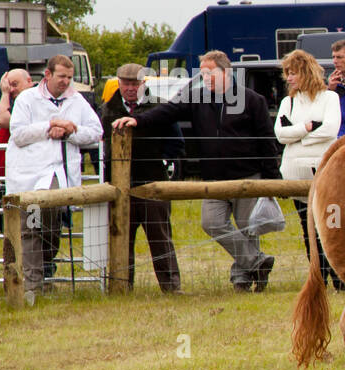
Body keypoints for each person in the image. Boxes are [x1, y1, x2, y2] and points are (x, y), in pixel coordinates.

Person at [114, 50, 281, 292]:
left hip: (248, 176)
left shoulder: (253, 100)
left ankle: (243, 279)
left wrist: (271, 178)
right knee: (211, 223)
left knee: (247, 229)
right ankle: (257, 262)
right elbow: (167, 111)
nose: (206, 78)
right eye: (202, 73)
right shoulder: (196, 98)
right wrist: (139, 120)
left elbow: (267, 140)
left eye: (210, 73)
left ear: (227, 72)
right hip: (213, 179)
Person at [4, 56, 103, 296]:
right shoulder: (27, 99)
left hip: (59, 172)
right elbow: (18, 133)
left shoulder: (76, 100)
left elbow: (96, 131)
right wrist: (50, 126)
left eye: (69, 78)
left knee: (50, 227)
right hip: (30, 175)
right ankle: (33, 287)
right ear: (47, 75)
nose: (66, 82)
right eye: (62, 77)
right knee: (31, 227)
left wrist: (71, 130)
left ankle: (45, 271)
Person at [101, 64, 184, 292]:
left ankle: (171, 286)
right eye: (125, 83)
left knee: (160, 237)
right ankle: (121, 286)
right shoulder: (107, 110)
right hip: (118, 187)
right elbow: (98, 149)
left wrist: (162, 162)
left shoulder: (159, 107)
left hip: (152, 184)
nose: (129, 88)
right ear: (118, 83)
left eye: (134, 84)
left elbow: (177, 142)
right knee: (121, 238)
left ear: (143, 83)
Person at [274, 49, 342, 288]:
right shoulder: (288, 102)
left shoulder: (329, 98)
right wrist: (307, 128)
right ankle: (318, 278)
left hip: (324, 174)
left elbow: (331, 129)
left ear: (305, 72)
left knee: (331, 227)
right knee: (307, 228)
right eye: (287, 74)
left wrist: (299, 137)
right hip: (295, 175)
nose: (289, 78)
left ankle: (339, 277)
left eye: (293, 73)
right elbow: (281, 134)